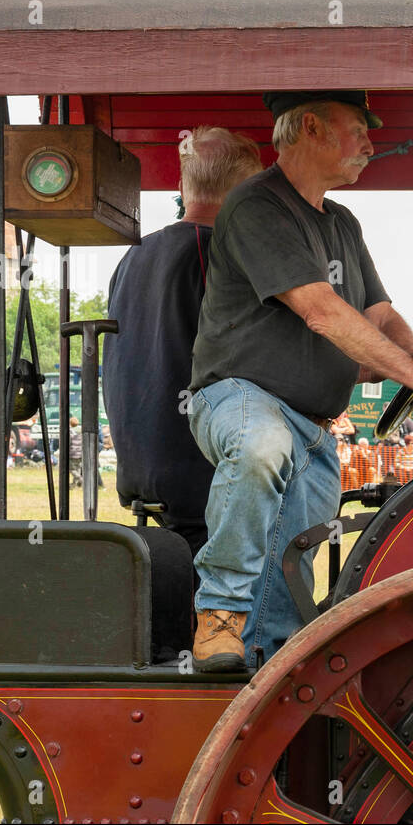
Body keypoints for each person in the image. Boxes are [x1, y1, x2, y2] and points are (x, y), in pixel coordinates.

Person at [185, 89, 413, 671]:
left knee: (289, 608)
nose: (372, 143)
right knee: (259, 446)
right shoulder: (257, 206)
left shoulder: (342, 222)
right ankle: (217, 616)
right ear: (310, 128)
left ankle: (263, 677)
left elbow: (378, 314)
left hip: (315, 428)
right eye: (359, 129)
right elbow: (321, 310)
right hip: (242, 398)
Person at [103, 126, 263, 558]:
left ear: (181, 186)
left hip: (144, 463)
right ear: (247, 192)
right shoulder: (219, 254)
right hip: (200, 470)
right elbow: (253, 358)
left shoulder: (133, 254)